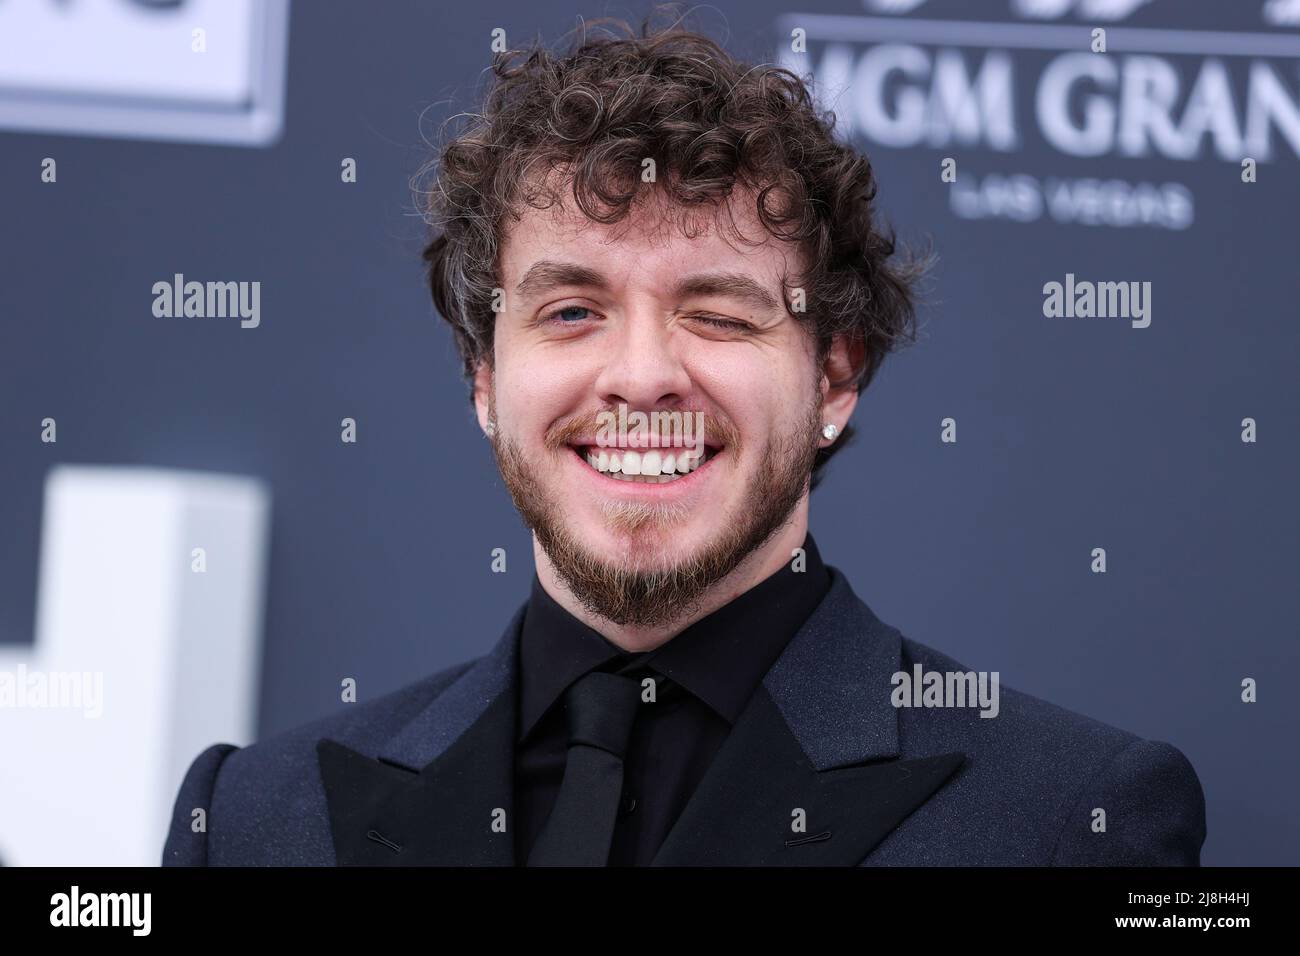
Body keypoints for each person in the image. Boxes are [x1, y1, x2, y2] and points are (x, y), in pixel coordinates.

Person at [163, 15, 1204, 867]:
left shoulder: (1076, 820)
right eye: (571, 310)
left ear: (834, 373)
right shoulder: (256, 818)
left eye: (716, 312)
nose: (642, 371)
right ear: (484, 377)